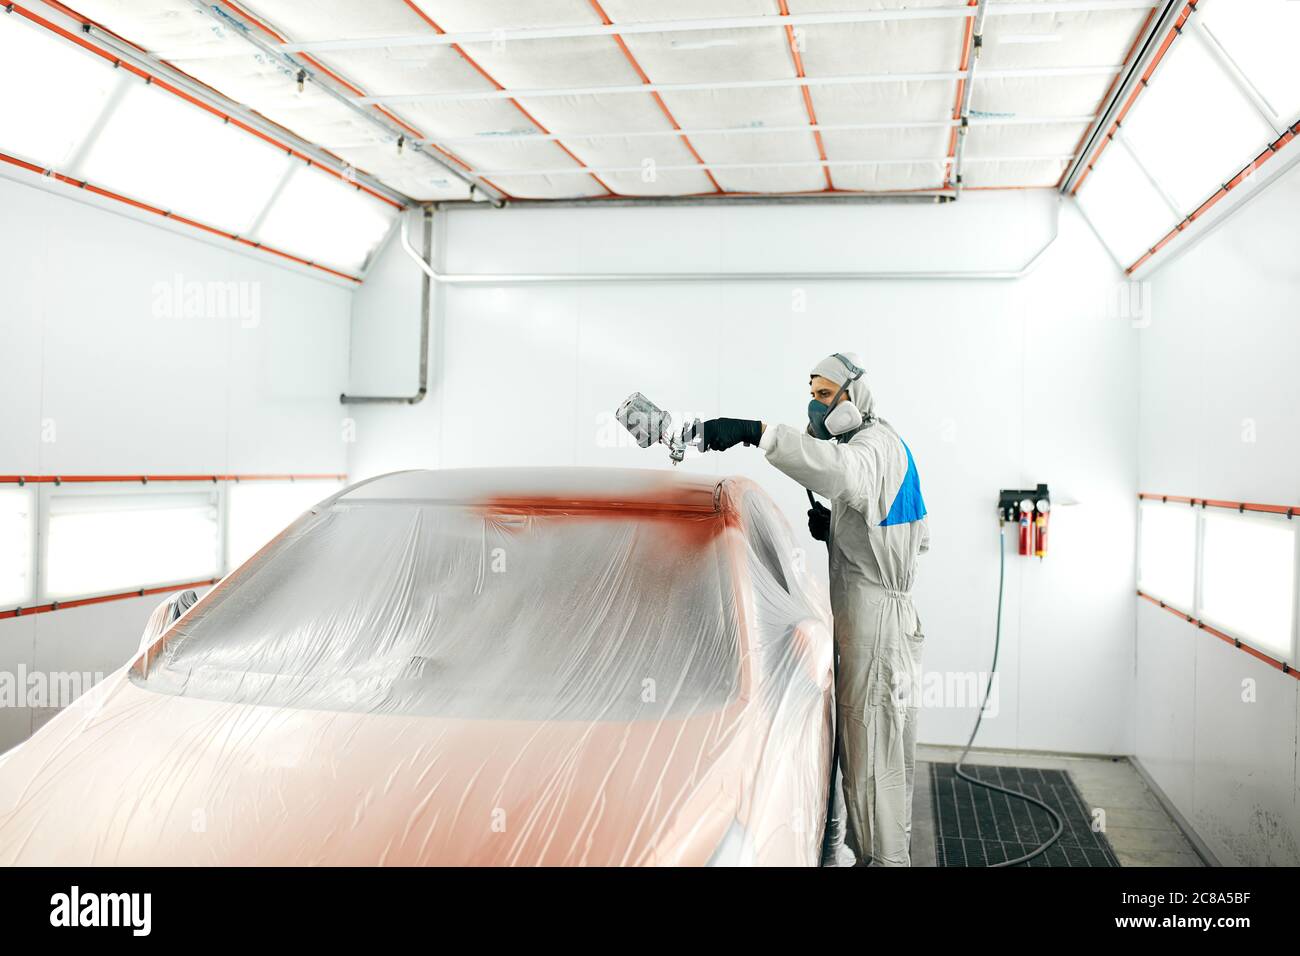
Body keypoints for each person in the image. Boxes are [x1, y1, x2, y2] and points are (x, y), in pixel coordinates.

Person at [698, 352, 929, 867]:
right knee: (867, 752)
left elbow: (845, 475)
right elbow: (908, 534)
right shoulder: (871, 449)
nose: (816, 404)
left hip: (879, 627)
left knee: (875, 762)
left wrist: (760, 433)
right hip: (868, 618)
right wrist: (841, 532)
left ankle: (886, 863)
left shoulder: (875, 445)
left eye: (825, 395)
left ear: (854, 398)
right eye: (814, 393)